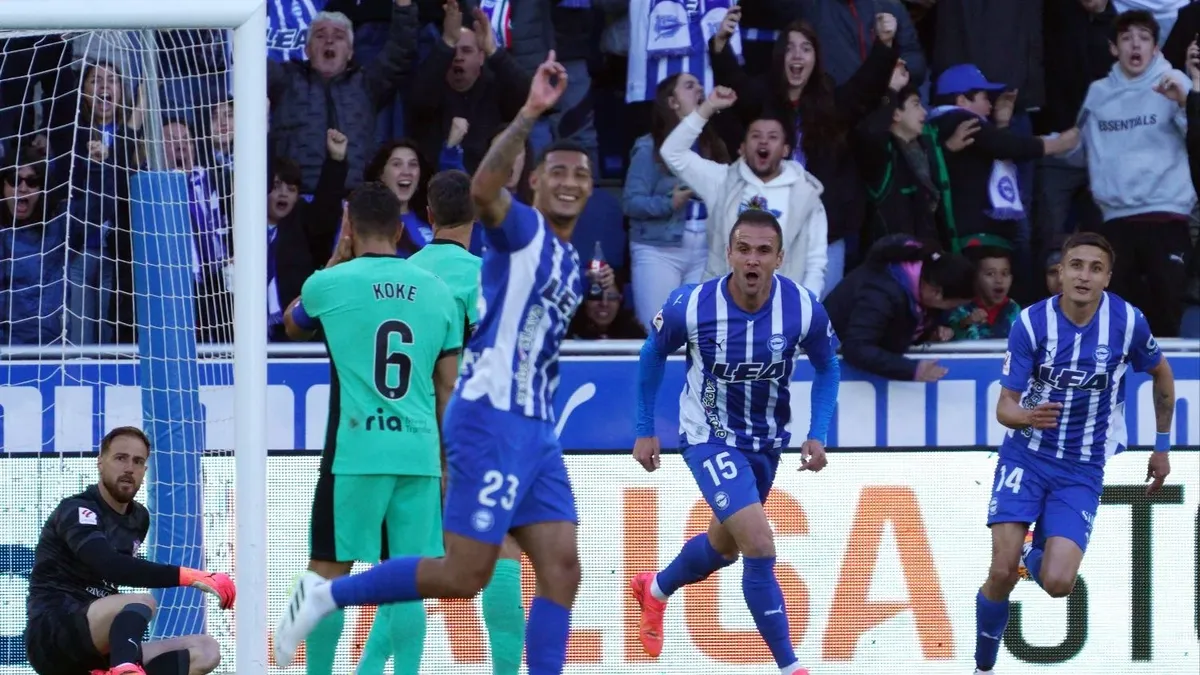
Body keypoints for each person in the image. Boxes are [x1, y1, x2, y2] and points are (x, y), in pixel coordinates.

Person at [274, 51, 610, 675]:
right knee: (465, 572)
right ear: (528, 183)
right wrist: (530, 111)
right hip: (472, 425)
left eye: (582, 173)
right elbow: (485, 195)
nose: (570, 181)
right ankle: (327, 601)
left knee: (560, 567)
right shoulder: (518, 238)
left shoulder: (556, 261)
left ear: (425, 216)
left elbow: (298, 315)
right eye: (556, 170)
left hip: (511, 430)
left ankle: (337, 614)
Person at [628, 209, 841, 675]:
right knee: (760, 546)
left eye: (763, 251)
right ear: (729, 253)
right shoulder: (693, 305)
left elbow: (829, 366)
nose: (752, 259)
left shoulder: (803, 308)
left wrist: (817, 432)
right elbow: (652, 354)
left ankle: (656, 588)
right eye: (743, 248)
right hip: (709, 437)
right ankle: (791, 666)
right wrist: (646, 428)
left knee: (724, 548)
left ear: (779, 258)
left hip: (766, 443)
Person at [279, 182, 463, 675]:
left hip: (356, 453)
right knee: (406, 581)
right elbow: (448, 388)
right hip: (420, 456)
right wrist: (450, 464)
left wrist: (338, 255)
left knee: (327, 573)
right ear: (402, 230)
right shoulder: (439, 292)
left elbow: (293, 323)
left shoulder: (329, 284)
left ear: (349, 227)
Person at [974, 231, 1177, 675]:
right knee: (1002, 572)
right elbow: (1005, 407)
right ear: (1060, 273)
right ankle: (983, 667)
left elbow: (1162, 376)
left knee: (1059, 583)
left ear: (1108, 277)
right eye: (1077, 265)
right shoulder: (1030, 323)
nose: (1085, 276)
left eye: (1096, 268)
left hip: (1082, 467)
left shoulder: (1127, 322)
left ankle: (1035, 550)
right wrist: (1027, 417)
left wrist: (1162, 448)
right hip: (1025, 458)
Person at [354, 169, 526, 675]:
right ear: (476, 214)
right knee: (504, 549)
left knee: (411, 567)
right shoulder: (494, 277)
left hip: (408, 435)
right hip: (481, 430)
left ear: (427, 216)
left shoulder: (403, 280)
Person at [24, 426, 234, 675]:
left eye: (138, 461)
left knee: (206, 649)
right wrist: (191, 576)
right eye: (120, 458)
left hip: (98, 646)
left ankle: (119, 667)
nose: (129, 468)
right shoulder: (77, 509)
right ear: (100, 463)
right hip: (54, 635)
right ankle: (124, 669)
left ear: (145, 470)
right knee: (141, 601)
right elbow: (109, 565)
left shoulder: (139, 518)